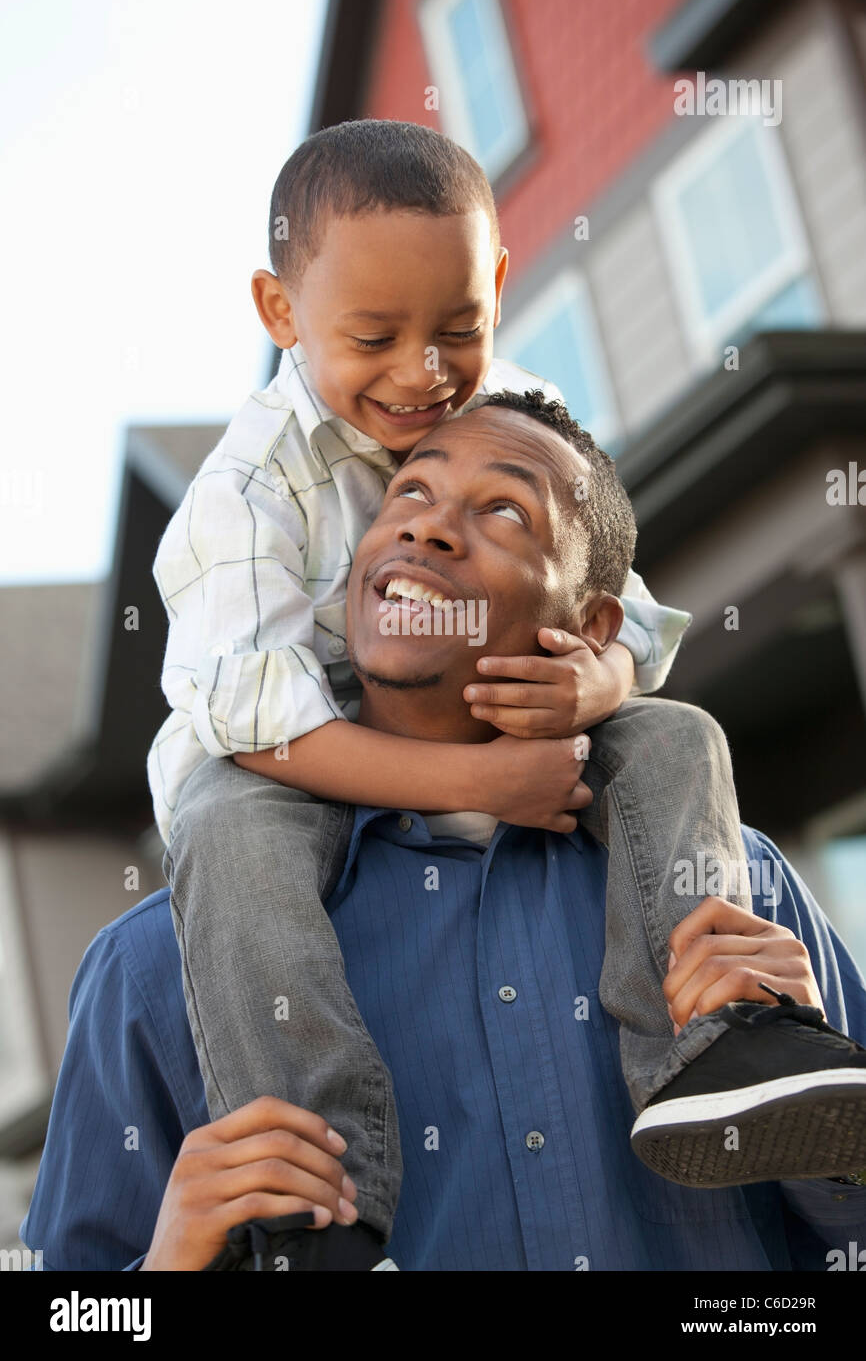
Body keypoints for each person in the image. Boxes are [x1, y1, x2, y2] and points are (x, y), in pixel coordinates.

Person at [22, 394, 866, 1272]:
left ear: (594, 628)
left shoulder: (737, 893)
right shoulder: (158, 964)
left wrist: (825, 1135)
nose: (428, 532)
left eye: (505, 510)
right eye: (410, 495)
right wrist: (166, 1272)